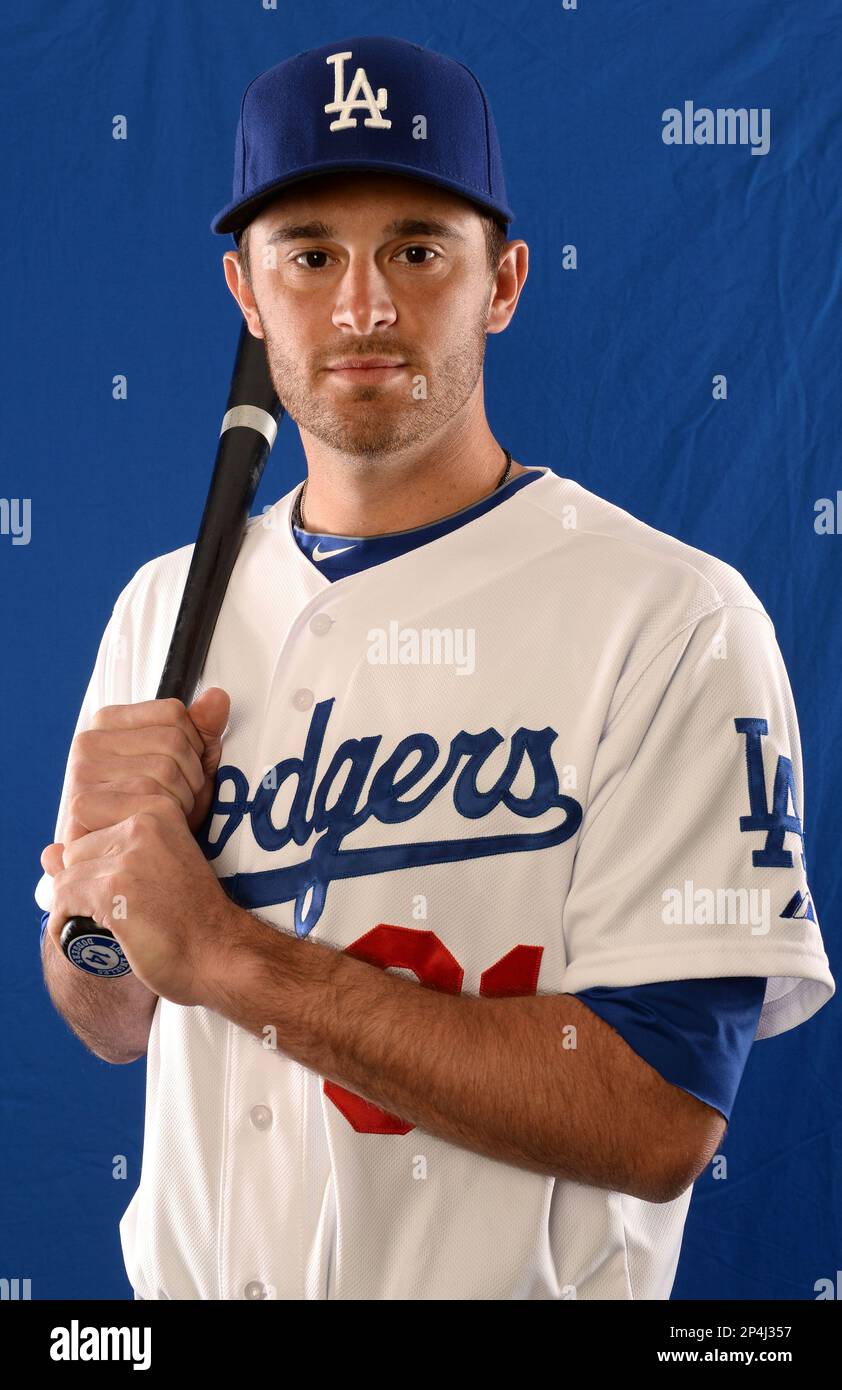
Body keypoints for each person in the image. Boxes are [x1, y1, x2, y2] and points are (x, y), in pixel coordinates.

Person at [37, 35, 834, 1301]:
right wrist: (107, 901)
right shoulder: (160, 609)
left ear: (502, 283)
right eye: (310, 255)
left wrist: (230, 957)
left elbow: (660, 1113)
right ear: (246, 292)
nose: (362, 307)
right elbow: (111, 1016)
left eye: (416, 250)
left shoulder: (671, 619)